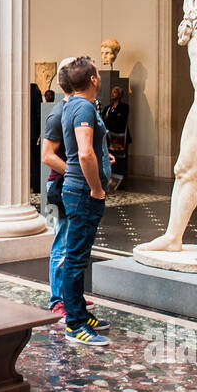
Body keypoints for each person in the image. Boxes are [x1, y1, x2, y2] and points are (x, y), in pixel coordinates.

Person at [58, 57, 113, 346]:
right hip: (83, 192)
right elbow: (84, 153)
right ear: (93, 79)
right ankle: (75, 324)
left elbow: (91, 149)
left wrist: (105, 157)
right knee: (76, 260)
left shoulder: (76, 105)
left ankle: (78, 312)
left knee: (78, 256)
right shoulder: (83, 107)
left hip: (78, 190)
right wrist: (96, 189)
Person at [40, 58, 77, 318]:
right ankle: (57, 300)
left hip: (72, 185)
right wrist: (77, 172)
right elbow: (48, 155)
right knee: (61, 243)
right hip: (60, 185)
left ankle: (71, 295)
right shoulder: (58, 113)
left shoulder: (78, 109)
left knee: (73, 243)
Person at [101, 86, 129, 189]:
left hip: (120, 137)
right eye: (112, 92)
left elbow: (120, 120)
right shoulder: (108, 108)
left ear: (120, 95)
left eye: (115, 92)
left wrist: (110, 118)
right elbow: (104, 119)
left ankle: (121, 180)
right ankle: (111, 180)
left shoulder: (124, 107)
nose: (113, 94)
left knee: (120, 160)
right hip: (109, 138)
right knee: (111, 158)